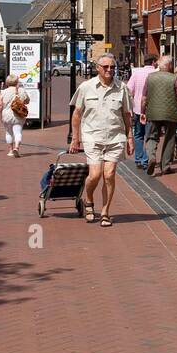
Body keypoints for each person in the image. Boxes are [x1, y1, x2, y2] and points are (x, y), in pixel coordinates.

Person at [69, 53, 134, 227]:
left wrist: (130, 137)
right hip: (92, 136)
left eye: (112, 67)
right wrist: (75, 138)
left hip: (115, 137)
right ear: (97, 68)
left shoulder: (122, 88)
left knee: (109, 174)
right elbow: (77, 113)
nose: (109, 70)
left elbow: (127, 115)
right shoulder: (86, 87)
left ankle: (105, 212)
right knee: (95, 175)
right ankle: (88, 200)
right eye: (105, 67)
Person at [140, 56, 177, 177]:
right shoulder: (175, 78)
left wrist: (142, 112)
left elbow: (144, 98)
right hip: (171, 113)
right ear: (169, 65)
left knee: (151, 137)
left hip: (153, 113)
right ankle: (166, 166)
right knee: (170, 138)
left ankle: (151, 157)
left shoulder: (150, 78)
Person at [126, 54, 158, 171]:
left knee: (139, 134)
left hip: (138, 109)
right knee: (150, 136)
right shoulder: (156, 73)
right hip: (152, 109)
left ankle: (139, 159)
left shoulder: (137, 73)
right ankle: (146, 159)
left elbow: (129, 90)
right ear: (153, 62)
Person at [0, 74, 28, 157]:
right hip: (18, 114)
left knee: (8, 133)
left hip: (6, 115)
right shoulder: (22, 91)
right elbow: (27, 101)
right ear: (17, 82)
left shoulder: (3, 92)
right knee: (18, 132)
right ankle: (17, 148)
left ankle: (10, 150)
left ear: (7, 82)